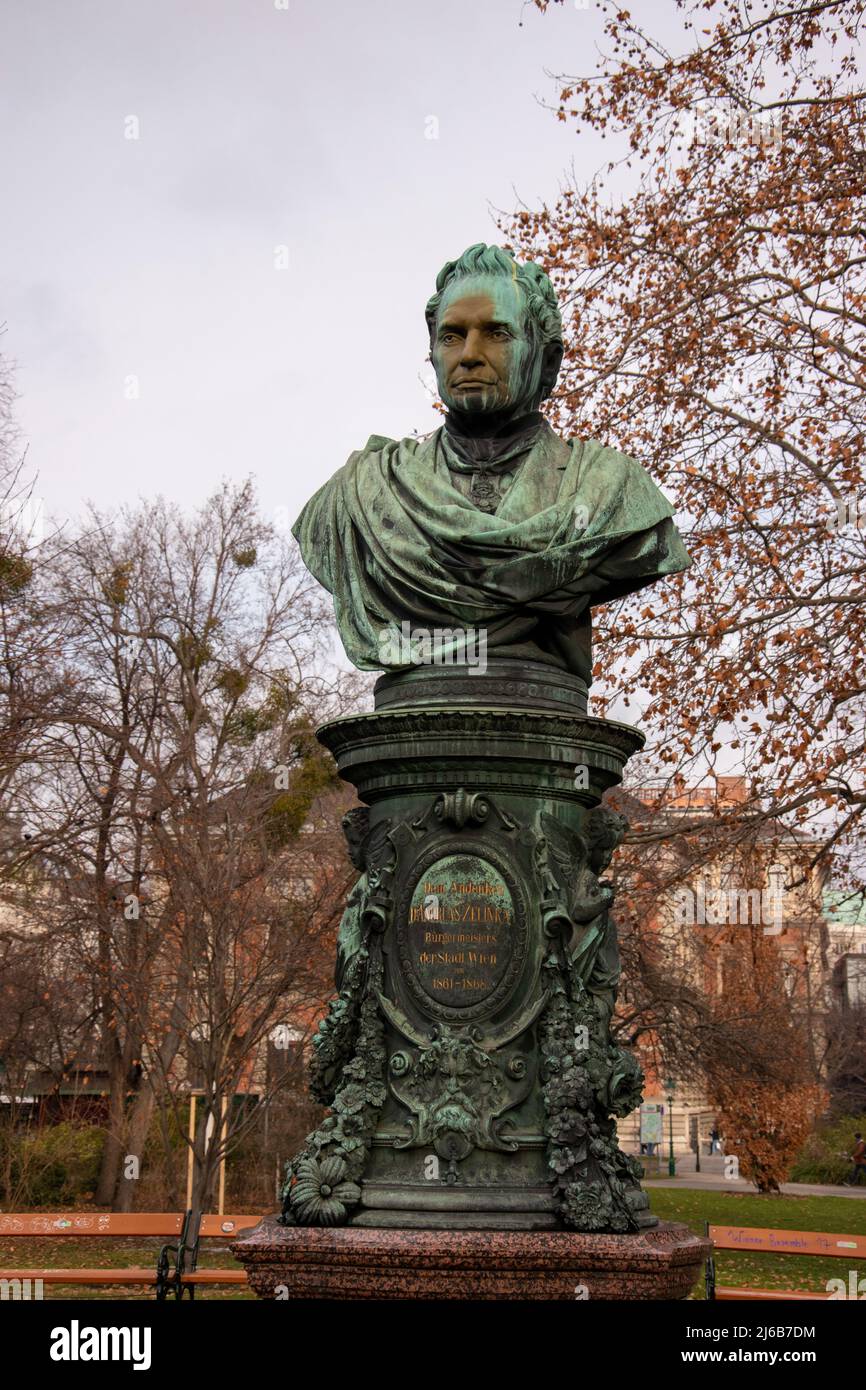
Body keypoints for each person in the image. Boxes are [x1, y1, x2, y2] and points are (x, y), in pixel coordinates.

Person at [293, 243, 690, 685]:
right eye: (452, 336)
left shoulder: (612, 490)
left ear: (547, 361)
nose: (469, 354)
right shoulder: (363, 491)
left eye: (497, 334)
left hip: (541, 700)